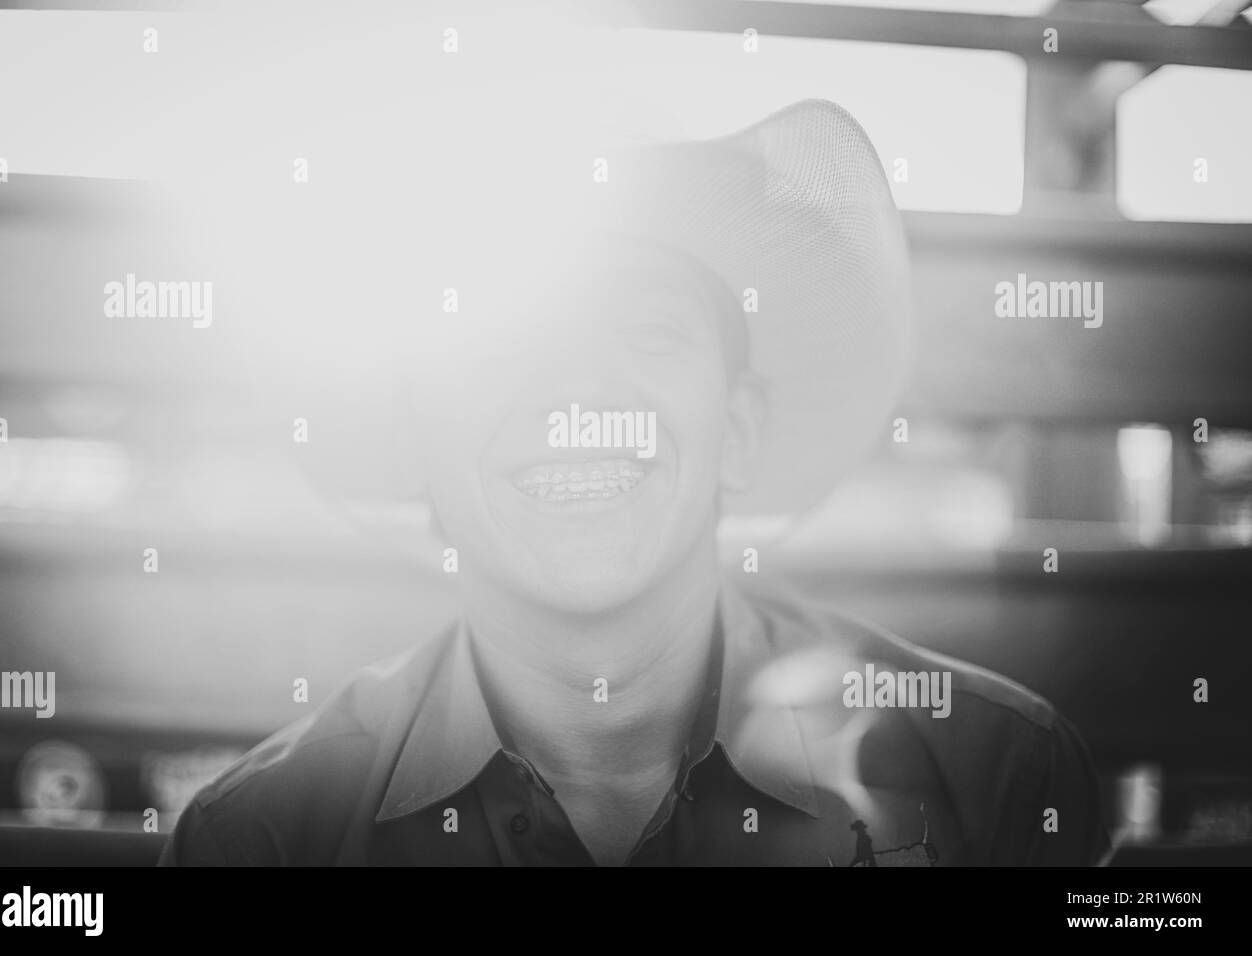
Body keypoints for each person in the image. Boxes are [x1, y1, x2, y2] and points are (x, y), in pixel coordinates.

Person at [160, 100, 1109, 866]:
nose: (579, 396)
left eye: (649, 334)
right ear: (421, 443)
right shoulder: (261, 843)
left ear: (736, 431)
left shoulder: (994, 781)